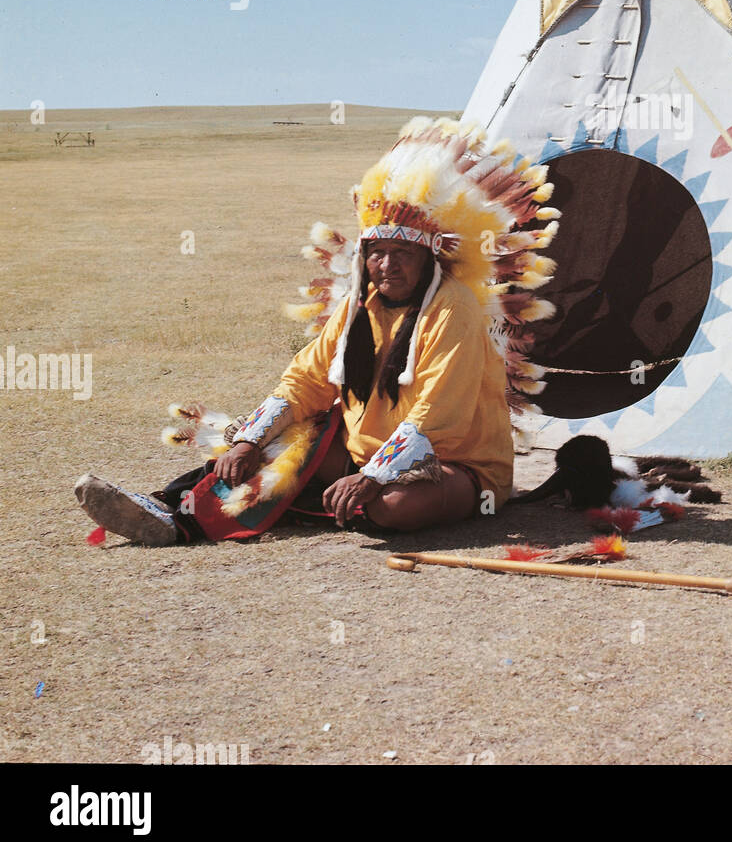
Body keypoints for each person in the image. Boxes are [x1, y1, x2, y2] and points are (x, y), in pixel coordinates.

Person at [75, 117, 559, 546]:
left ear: (429, 259)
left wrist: (373, 477)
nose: (387, 265)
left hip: (455, 465)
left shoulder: (454, 309)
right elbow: (306, 380)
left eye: (404, 254)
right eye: (377, 253)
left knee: (395, 509)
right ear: (365, 257)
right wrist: (248, 441)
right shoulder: (358, 306)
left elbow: (440, 414)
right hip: (361, 454)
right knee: (279, 444)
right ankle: (171, 507)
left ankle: (332, 498)